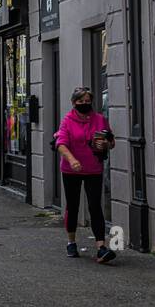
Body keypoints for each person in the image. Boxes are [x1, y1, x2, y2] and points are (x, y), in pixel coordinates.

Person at [54, 86, 116, 264]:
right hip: (71, 169)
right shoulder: (67, 121)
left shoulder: (100, 120)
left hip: (93, 169)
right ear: (74, 103)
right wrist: (72, 160)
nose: (84, 104)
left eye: (88, 101)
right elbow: (61, 144)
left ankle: (100, 247)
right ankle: (71, 242)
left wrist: (106, 143)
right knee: (72, 206)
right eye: (81, 101)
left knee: (95, 206)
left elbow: (111, 142)